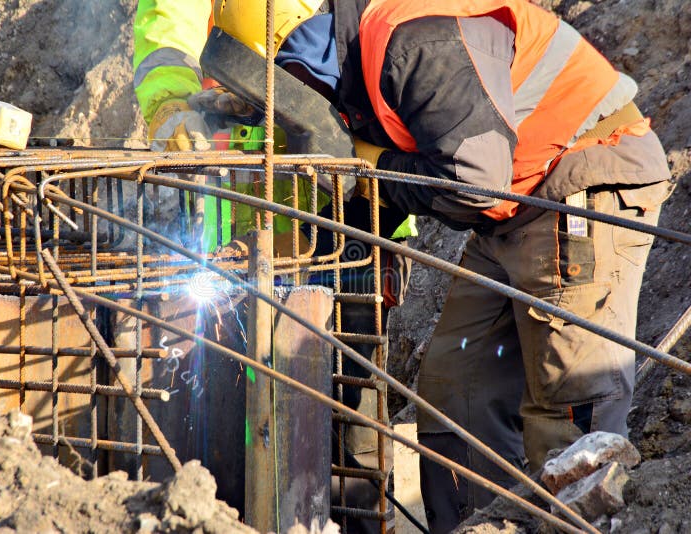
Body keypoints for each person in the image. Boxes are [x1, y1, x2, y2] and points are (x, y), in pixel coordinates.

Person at [138, 0, 677, 532]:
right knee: (455, 391)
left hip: (580, 180)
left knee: (568, 403)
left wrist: (365, 164)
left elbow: (472, 181)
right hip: (512, 202)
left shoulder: (412, 43)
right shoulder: (362, 55)